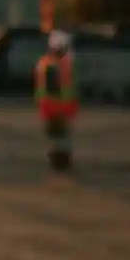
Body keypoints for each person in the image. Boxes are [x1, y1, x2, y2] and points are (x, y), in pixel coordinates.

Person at [35, 29, 79, 172]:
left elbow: (41, 88)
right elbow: (63, 88)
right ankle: (61, 162)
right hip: (60, 108)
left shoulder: (43, 63)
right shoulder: (61, 64)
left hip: (48, 107)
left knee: (55, 138)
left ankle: (56, 161)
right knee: (62, 138)